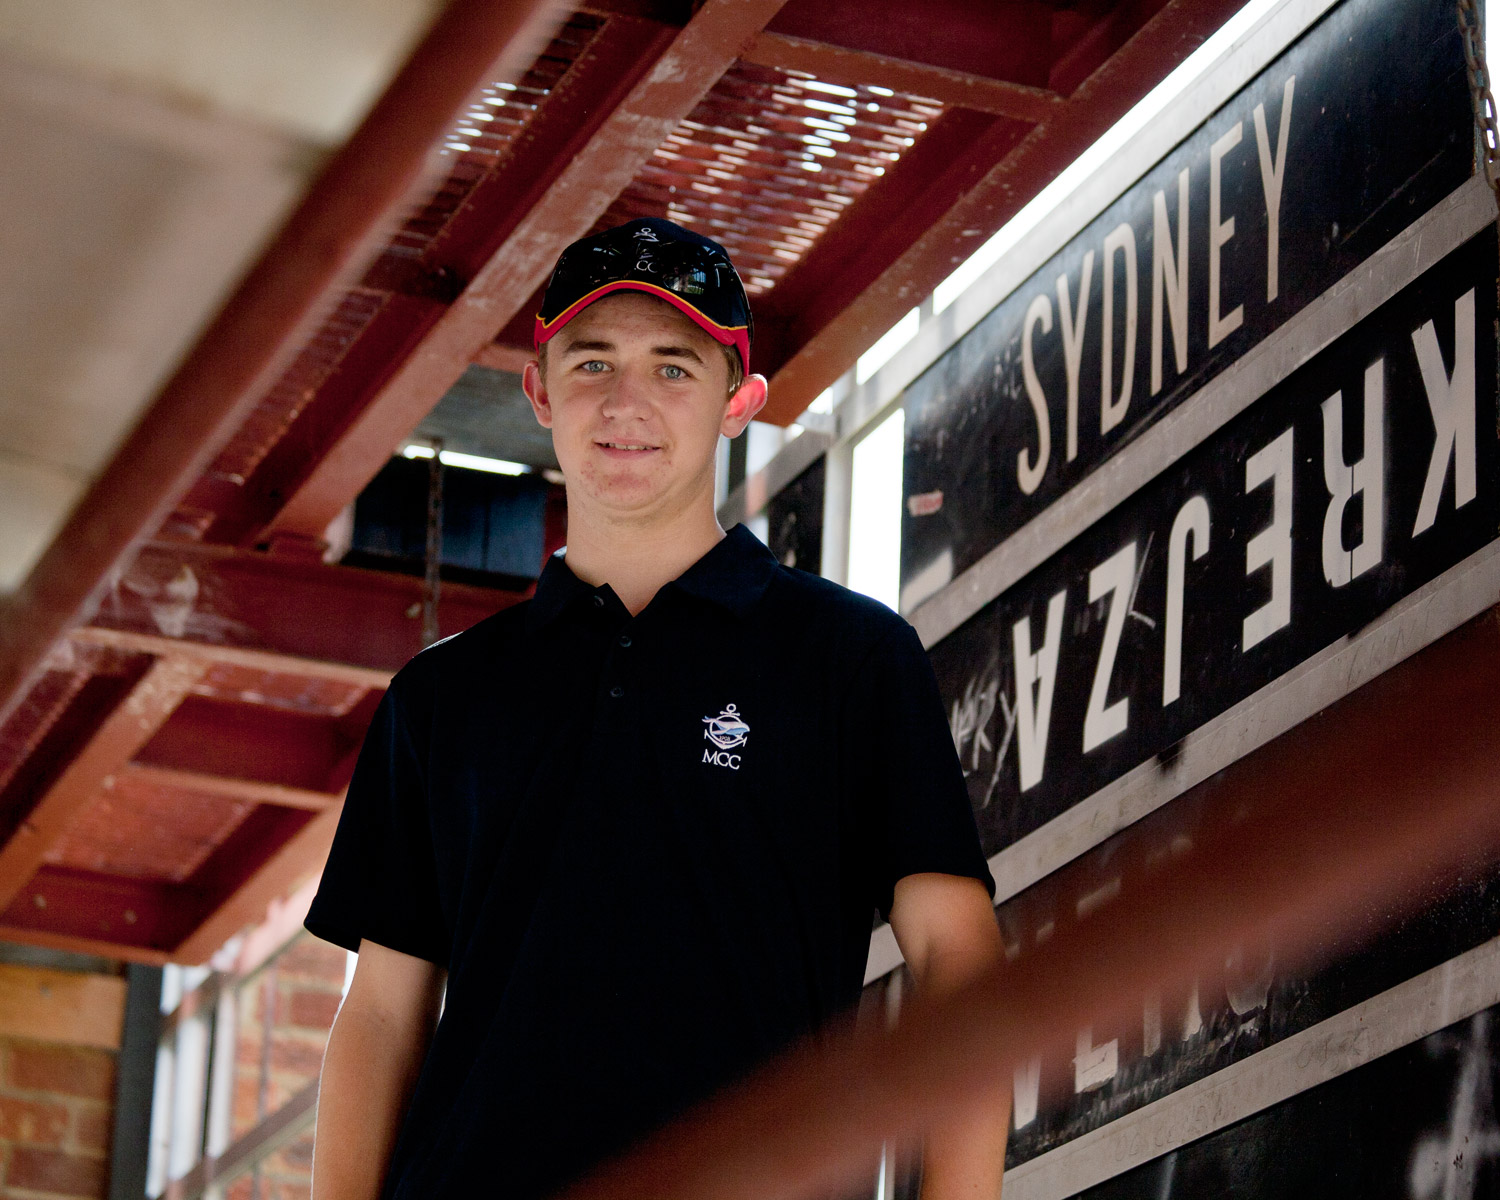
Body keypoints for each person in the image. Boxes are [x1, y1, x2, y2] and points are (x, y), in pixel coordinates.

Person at [305, 218, 1009, 1200]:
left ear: (740, 401)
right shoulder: (441, 698)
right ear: (539, 392)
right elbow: (383, 1015)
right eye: (592, 363)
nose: (626, 401)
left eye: (673, 368)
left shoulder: (850, 659)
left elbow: (958, 961)